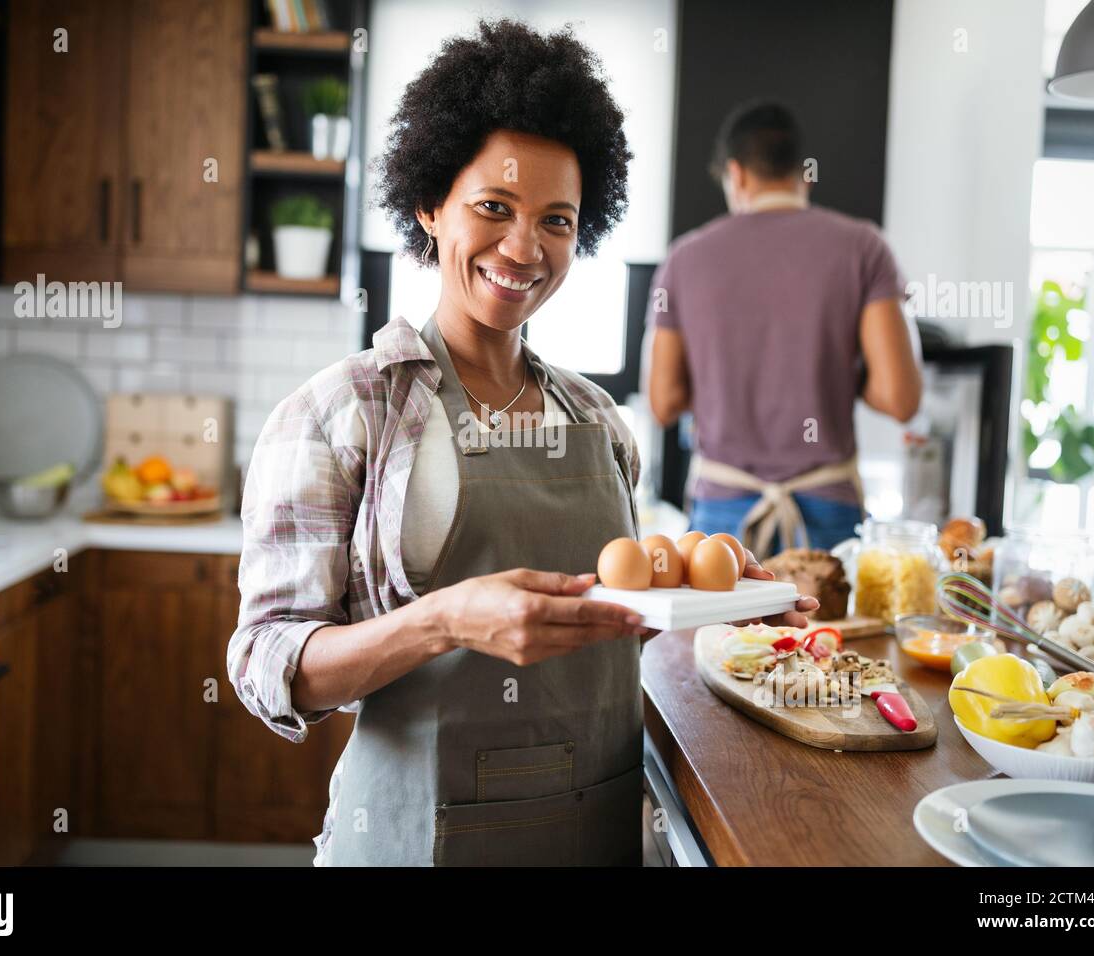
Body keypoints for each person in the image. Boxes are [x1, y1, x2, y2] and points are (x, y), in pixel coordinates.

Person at [227, 22, 817, 867]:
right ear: (430, 204)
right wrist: (440, 623)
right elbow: (264, 664)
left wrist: (715, 599)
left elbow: (597, 628)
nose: (523, 248)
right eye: (493, 208)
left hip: (590, 829)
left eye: (557, 221)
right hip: (409, 836)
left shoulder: (595, 419)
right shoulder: (341, 413)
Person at [644, 101, 922, 555]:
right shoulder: (864, 248)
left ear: (736, 175)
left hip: (722, 524)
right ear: (803, 174)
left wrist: (723, 380)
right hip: (826, 518)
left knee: (722, 631)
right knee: (827, 630)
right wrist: (837, 371)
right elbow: (900, 398)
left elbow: (663, 401)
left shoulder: (685, 258)